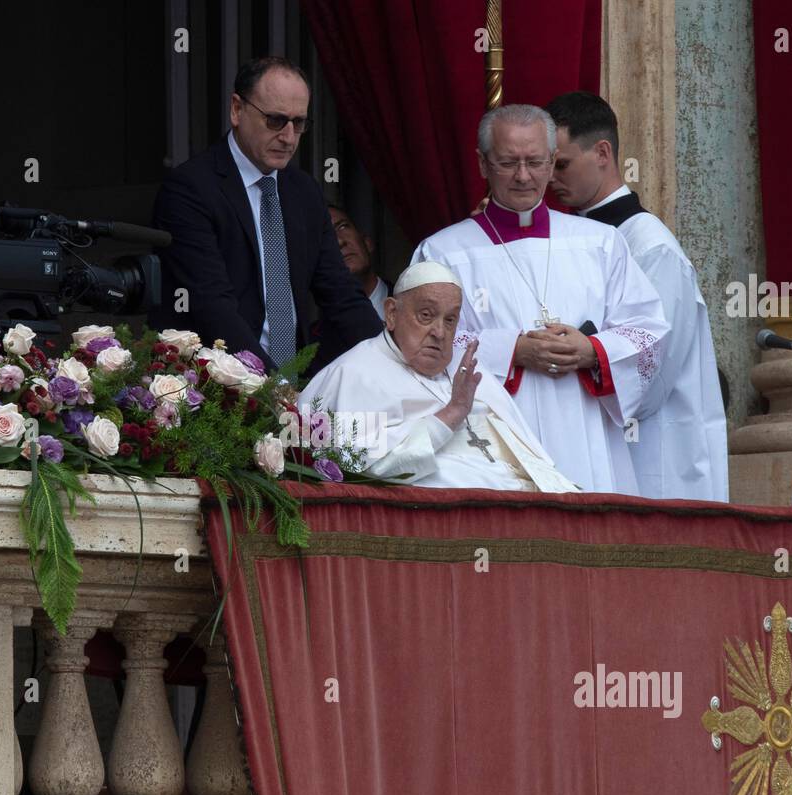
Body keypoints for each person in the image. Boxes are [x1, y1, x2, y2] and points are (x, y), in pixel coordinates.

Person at [411, 104, 668, 494]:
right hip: (492, 441)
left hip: (586, 434)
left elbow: (649, 332)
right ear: (482, 164)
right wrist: (512, 350)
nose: (523, 176)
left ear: (551, 163)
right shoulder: (444, 252)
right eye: (507, 162)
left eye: (535, 162)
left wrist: (592, 350)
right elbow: (420, 346)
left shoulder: (600, 243)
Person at [548, 91, 728, 501]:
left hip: (654, 455)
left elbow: (652, 370)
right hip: (597, 448)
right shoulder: (567, 242)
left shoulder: (650, 248)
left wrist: (586, 350)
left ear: (602, 152)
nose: (549, 179)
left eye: (561, 165)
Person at [150, 56, 382, 375]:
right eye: (275, 120)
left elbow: (341, 292)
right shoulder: (189, 189)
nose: (288, 137)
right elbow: (212, 307)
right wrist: (274, 390)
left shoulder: (304, 192)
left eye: (298, 123)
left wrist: (393, 362)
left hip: (292, 380)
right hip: (214, 388)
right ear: (236, 109)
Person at [300, 261, 579, 493]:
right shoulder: (353, 373)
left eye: (450, 319)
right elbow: (363, 467)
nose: (440, 332)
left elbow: (528, 454)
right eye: (426, 315)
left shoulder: (468, 367)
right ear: (392, 313)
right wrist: (451, 414)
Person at [328, 204, 390, 320]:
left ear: (367, 242)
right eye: (325, 236)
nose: (339, 241)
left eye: (342, 227)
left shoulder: (418, 306)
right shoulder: (313, 336)